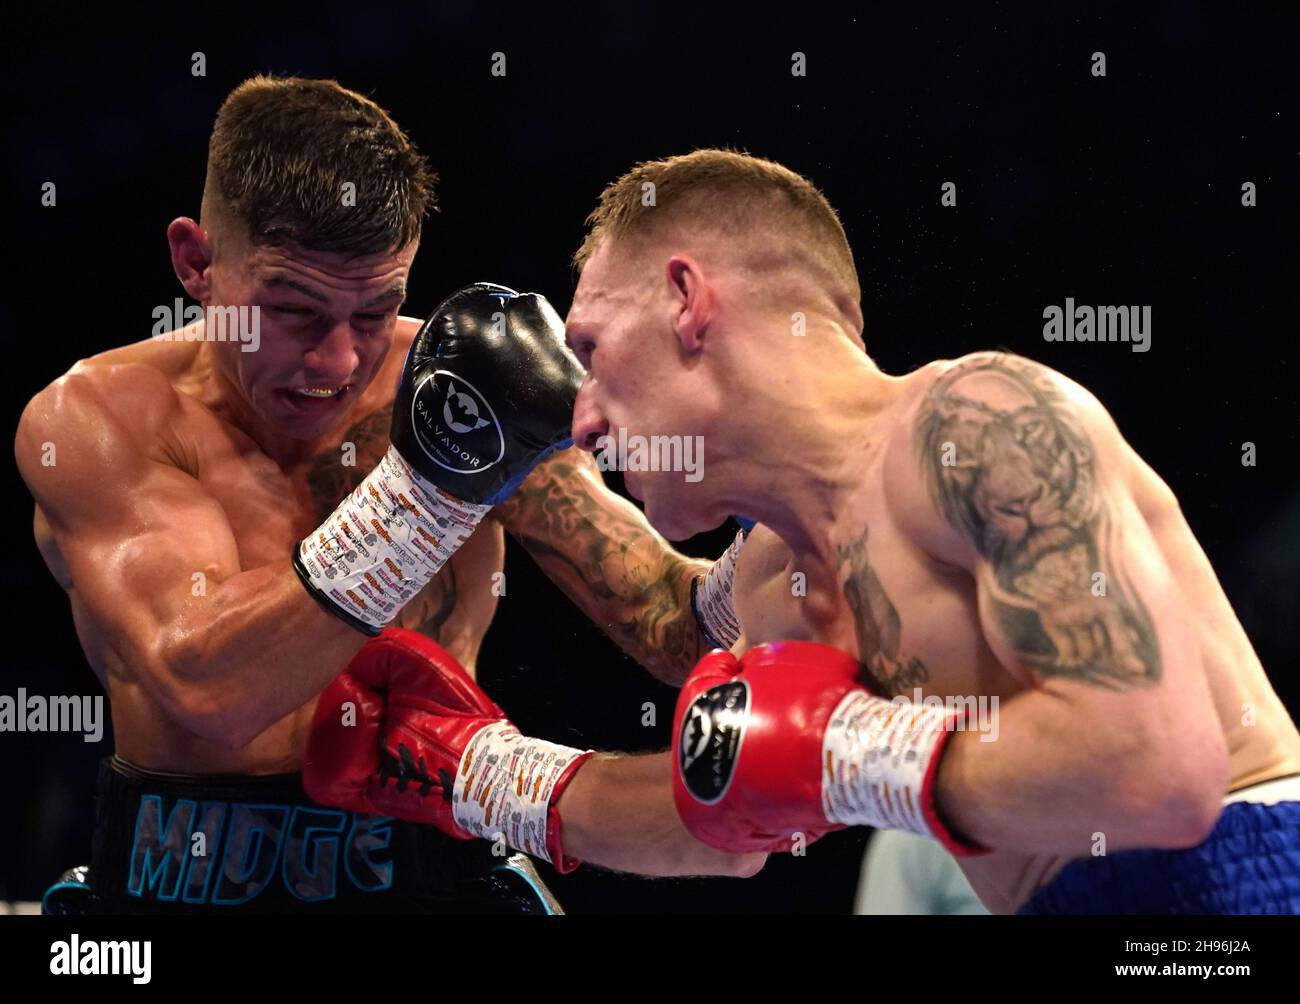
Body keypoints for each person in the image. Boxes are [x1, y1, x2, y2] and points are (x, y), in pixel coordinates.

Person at [14, 80, 759, 914]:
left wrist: (778, 503)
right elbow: (209, 690)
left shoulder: (469, 388)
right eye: (291, 310)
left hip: (438, 876)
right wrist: (432, 489)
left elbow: (681, 627)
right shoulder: (100, 419)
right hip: (178, 884)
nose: (336, 363)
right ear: (196, 263)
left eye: (376, 311)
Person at [562, 147, 1300, 914]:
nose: (582, 423)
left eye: (589, 349)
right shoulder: (773, 579)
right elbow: (714, 816)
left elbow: (1160, 772)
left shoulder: (977, 422)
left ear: (686, 298)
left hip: (1240, 886)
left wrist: (857, 757)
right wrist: (486, 776)